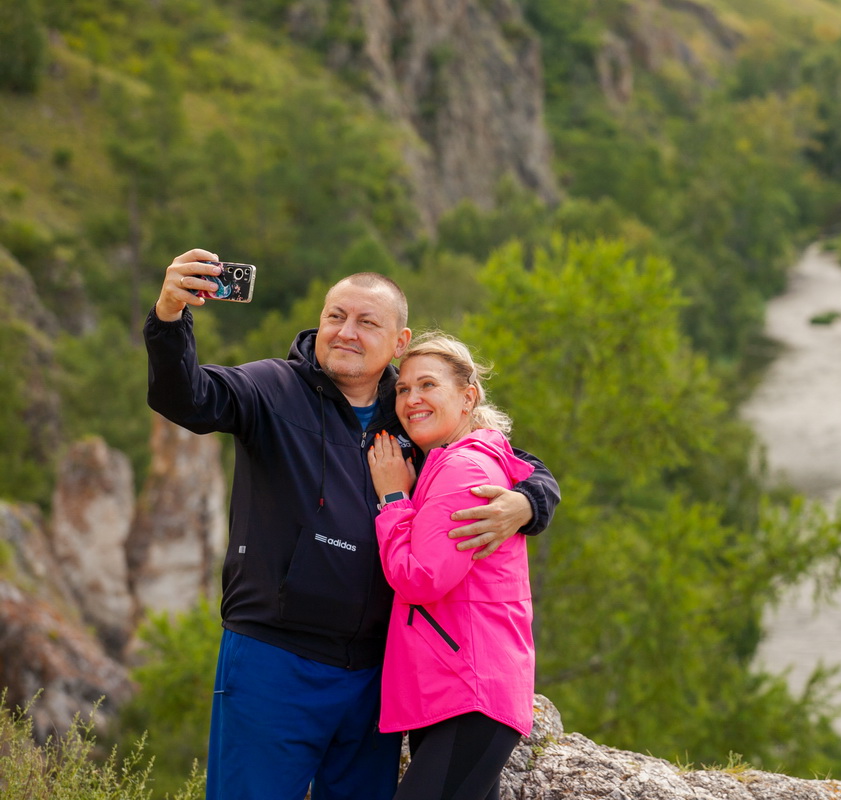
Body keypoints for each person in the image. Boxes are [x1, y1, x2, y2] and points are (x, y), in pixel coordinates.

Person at [143, 249, 560, 800]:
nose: (345, 332)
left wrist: (529, 502)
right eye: (336, 316)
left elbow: (518, 461)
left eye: (367, 322)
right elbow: (188, 397)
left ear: (400, 342)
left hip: (374, 676)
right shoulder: (272, 389)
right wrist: (170, 315)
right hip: (274, 657)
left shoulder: (413, 412)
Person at [368, 333, 537, 800]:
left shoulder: (463, 470)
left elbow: (420, 579)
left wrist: (393, 499)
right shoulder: (456, 460)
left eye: (427, 385)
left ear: (468, 396)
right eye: (402, 389)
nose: (412, 399)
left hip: (468, 691)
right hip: (456, 688)